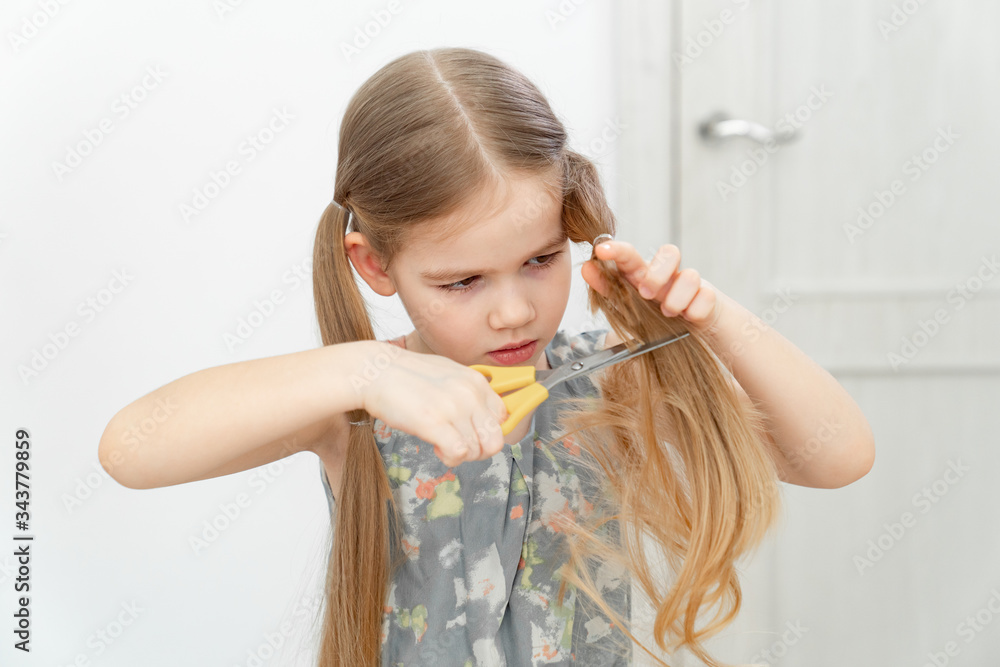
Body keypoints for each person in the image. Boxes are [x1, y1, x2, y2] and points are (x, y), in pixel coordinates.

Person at [98, 47, 875, 667]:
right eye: (463, 281)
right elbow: (130, 449)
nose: (514, 310)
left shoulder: (607, 382)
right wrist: (362, 369)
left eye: (541, 259)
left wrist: (718, 319)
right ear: (374, 265)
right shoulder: (358, 406)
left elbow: (837, 454)